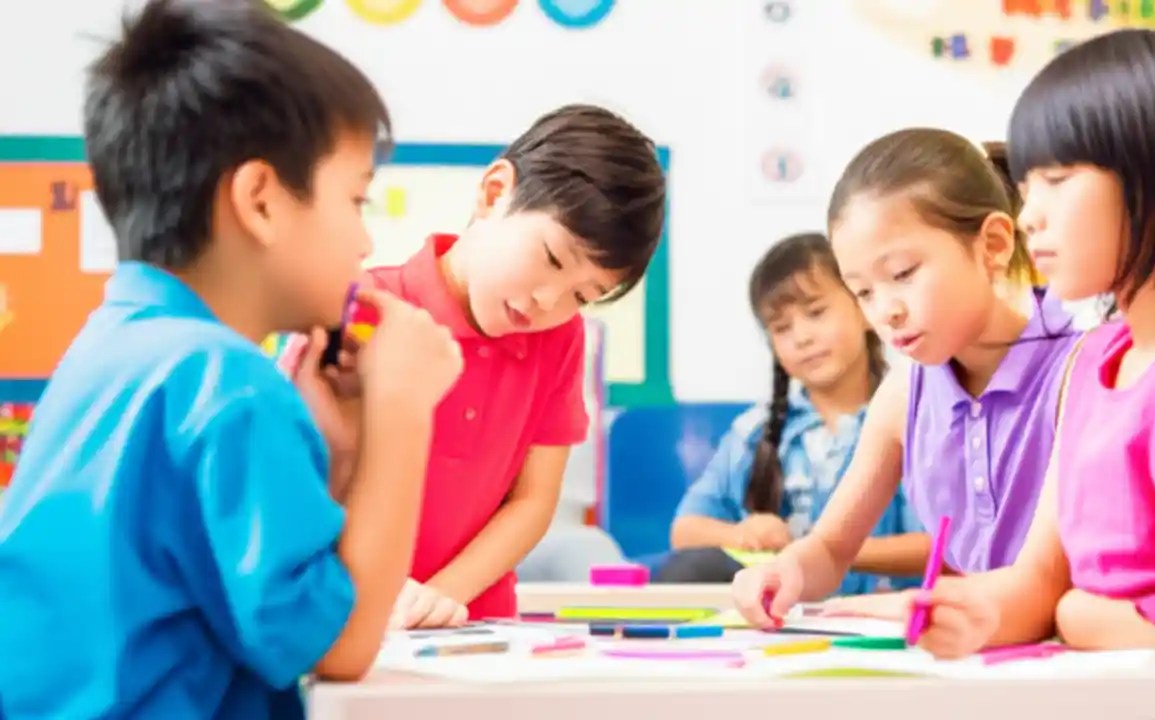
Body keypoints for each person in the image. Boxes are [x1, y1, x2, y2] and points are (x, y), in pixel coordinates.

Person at [0, 1, 462, 717]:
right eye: (356, 200)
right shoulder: (230, 383)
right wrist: (402, 410)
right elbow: (337, 647)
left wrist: (342, 457)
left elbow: (243, 582)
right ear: (260, 201)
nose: (365, 244)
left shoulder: (115, 345)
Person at [872, 22, 1155, 719]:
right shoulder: (1093, 359)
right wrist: (972, 614)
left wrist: (1081, 615)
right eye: (1026, 186)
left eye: (1057, 182)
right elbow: (1039, 578)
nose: (1028, 215)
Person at [284, 103, 667, 627]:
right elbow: (300, 485)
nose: (547, 300)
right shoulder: (368, 308)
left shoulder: (560, 340)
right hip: (349, 614)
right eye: (552, 258)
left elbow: (533, 500)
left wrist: (442, 595)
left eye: (582, 295)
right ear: (494, 193)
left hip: (473, 623)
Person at [731, 129, 1080, 625]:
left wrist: (914, 607)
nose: (886, 311)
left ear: (993, 245)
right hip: (973, 643)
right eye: (863, 292)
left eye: (902, 274)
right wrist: (784, 571)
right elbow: (830, 548)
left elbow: (1045, 584)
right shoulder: (903, 394)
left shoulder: (1079, 369)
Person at [658, 232, 926, 592]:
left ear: (864, 307)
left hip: (881, 614)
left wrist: (823, 550)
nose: (801, 337)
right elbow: (686, 530)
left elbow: (941, 547)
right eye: (781, 328)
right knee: (686, 571)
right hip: (783, 614)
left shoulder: (915, 416)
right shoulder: (755, 431)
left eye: (816, 313)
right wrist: (744, 534)